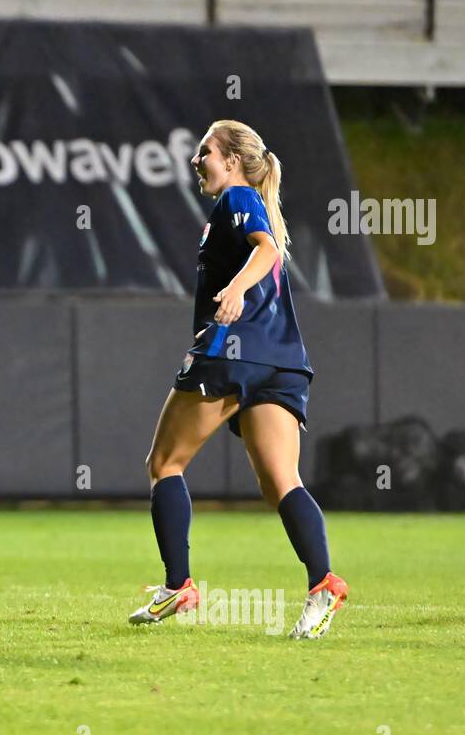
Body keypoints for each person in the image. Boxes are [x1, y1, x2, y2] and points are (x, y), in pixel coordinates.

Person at [129, 119, 349, 640]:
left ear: (231, 160)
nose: (196, 160)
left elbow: (267, 250)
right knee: (281, 482)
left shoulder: (237, 198)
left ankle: (178, 585)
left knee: (164, 464)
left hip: (233, 352)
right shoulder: (237, 205)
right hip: (282, 361)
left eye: (206, 151)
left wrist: (233, 289)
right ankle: (324, 584)